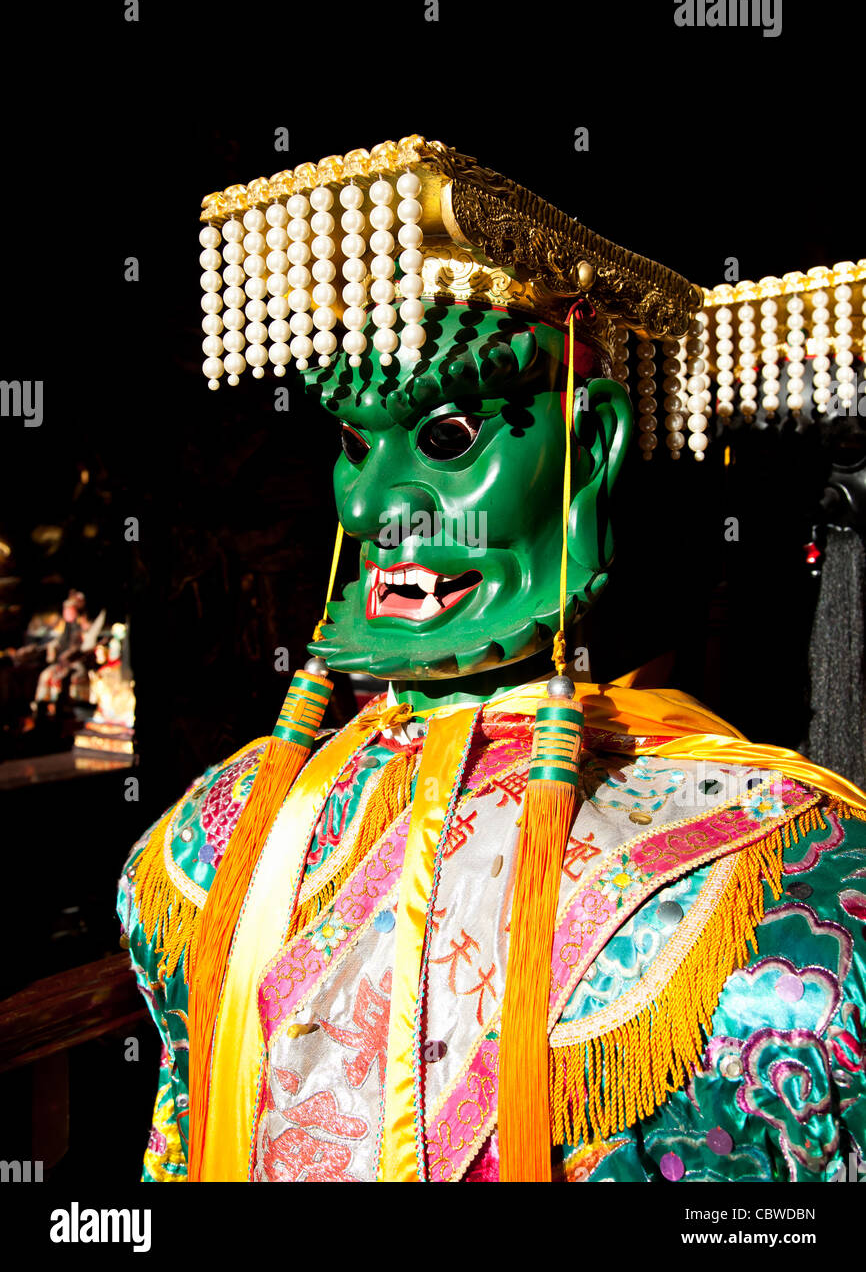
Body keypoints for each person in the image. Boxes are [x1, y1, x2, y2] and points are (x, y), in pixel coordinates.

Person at [119, 135, 865, 1183]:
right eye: (350, 442)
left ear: (591, 449)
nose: (375, 506)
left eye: (449, 437)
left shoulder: (784, 879)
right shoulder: (205, 847)